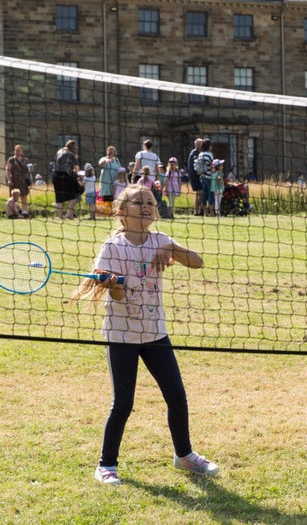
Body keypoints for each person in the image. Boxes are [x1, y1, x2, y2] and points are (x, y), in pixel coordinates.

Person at [69, 184, 219, 484]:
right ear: (121, 213)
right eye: (138, 202)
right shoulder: (113, 247)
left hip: (155, 333)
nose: (146, 206)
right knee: (123, 403)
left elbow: (197, 262)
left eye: (150, 201)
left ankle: (184, 456)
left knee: (176, 396)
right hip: (122, 335)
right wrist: (113, 285)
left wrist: (170, 248)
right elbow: (119, 297)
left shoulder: (161, 240)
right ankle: (106, 465)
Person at [52, 140, 81, 219]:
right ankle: (69, 214)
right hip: (66, 176)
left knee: (59, 197)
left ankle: (60, 217)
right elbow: (76, 167)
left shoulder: (59, 151)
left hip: (55, 176)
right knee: (76, 195)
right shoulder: (70, 154)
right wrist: (77, 175)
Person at [187, 139, 205, 216]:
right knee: (200, 193)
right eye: (199, 143)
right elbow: (194, 167)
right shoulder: (194, 153)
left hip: (200, 176)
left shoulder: (201, 152)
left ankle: (196, 211)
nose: (201, 145)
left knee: (198, 194)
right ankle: (201, 209)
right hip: (195, 176)